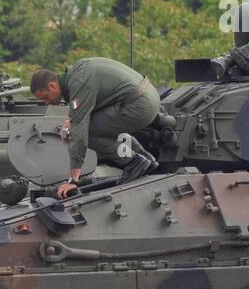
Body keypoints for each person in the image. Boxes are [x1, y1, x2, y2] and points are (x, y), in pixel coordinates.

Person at [31, 58, 161, 198]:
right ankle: (144, 157)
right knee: (95, 125)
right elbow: (84, 105)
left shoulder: (79, 83)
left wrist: (73, 180)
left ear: (52, 86)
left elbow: (79, 133)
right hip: (146, 97)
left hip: (138, 106)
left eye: (45, 97)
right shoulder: (77, 73)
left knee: (83, 131)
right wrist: (71, 120)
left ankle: (133, 162)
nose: (46, 102)